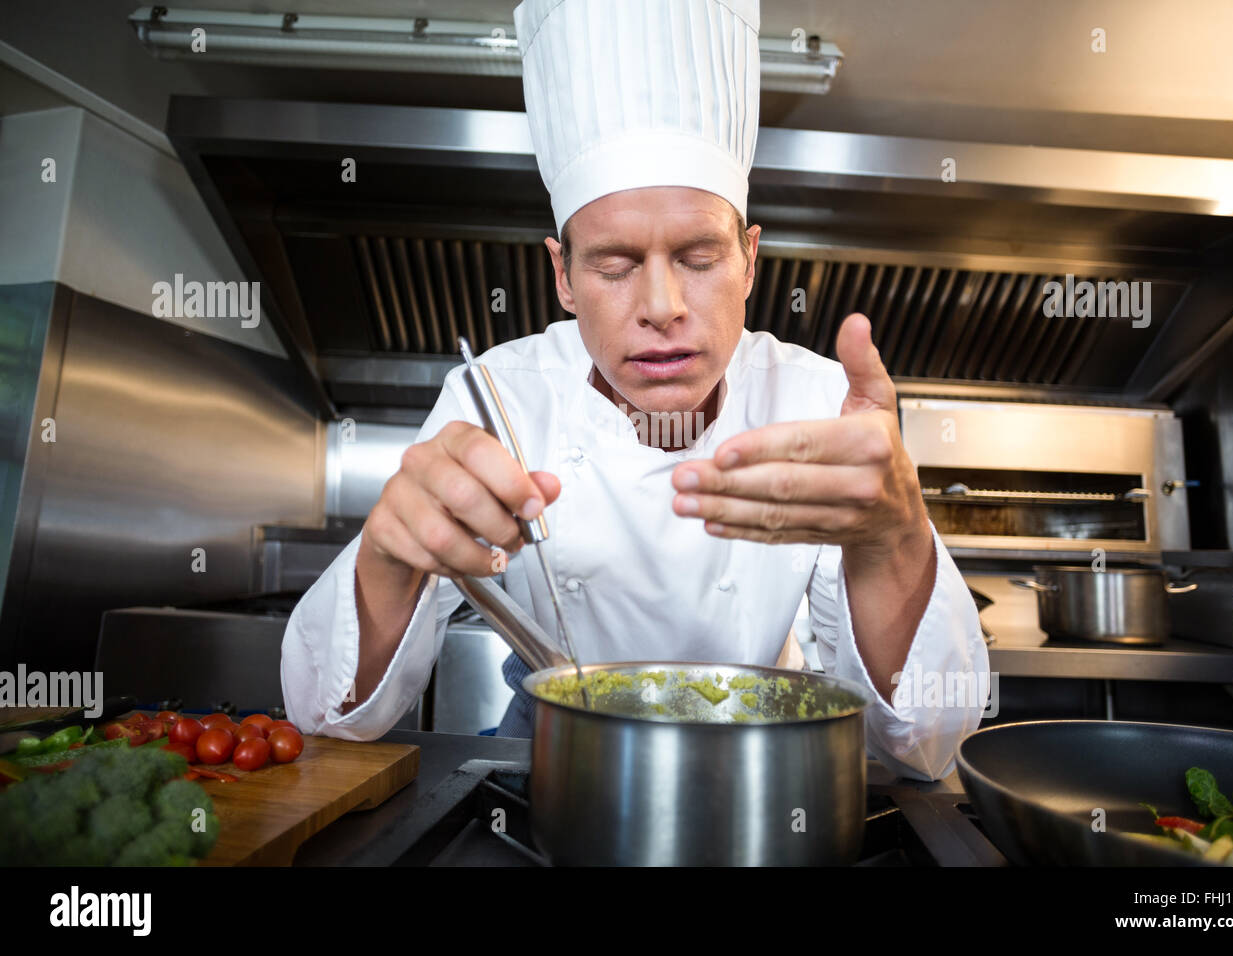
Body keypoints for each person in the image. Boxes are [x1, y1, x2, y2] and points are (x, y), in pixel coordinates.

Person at [281, 0, 989, 781]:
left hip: (760, 762)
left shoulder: (821, 404)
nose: (661, 306)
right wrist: (389, 556)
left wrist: (893, 537)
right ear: (563, 276)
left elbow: (928, 743)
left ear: (750, 261)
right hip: (546, 758)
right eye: (615, 264)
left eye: (698, 257)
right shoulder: (496, 400)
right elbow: (327, 721)